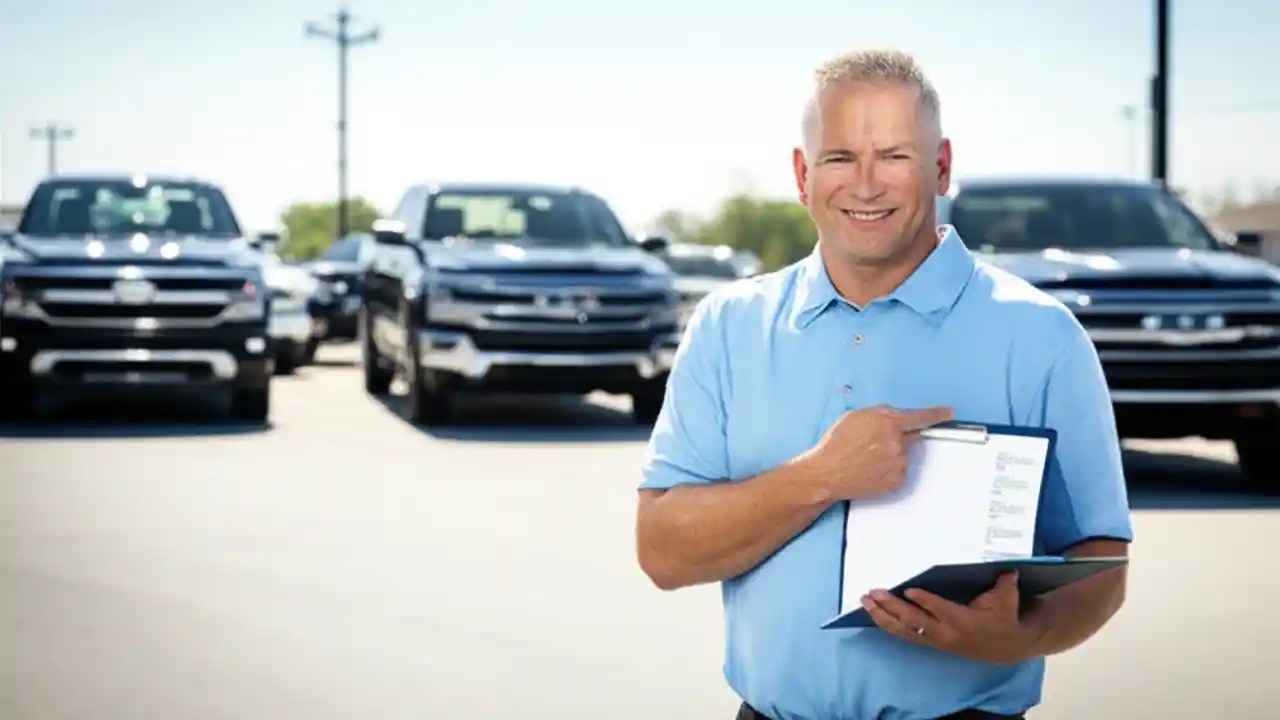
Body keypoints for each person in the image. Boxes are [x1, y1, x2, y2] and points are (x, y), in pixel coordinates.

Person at [634, 48, 1133, 720]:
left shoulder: (1041, 336)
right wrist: (820, 476)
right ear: (803, 174)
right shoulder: (728, 327)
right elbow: (662, 551)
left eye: (895, 155)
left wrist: (1023, 634)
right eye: (840, 158)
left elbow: (1100, 560)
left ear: (943, 166)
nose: (865, 186)